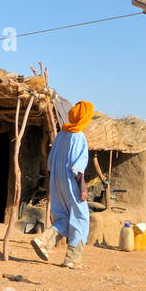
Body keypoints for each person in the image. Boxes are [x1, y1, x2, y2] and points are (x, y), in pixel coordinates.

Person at [32, 100, 93, 268]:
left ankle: (43, 241)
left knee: (64, 216)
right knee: (80, 217)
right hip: (71, 182)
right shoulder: (78, 136)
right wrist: (82, 189)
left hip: (56, 181)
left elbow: (50, 161)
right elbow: (77, 167)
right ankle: (72, 259)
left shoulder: (61, 134)